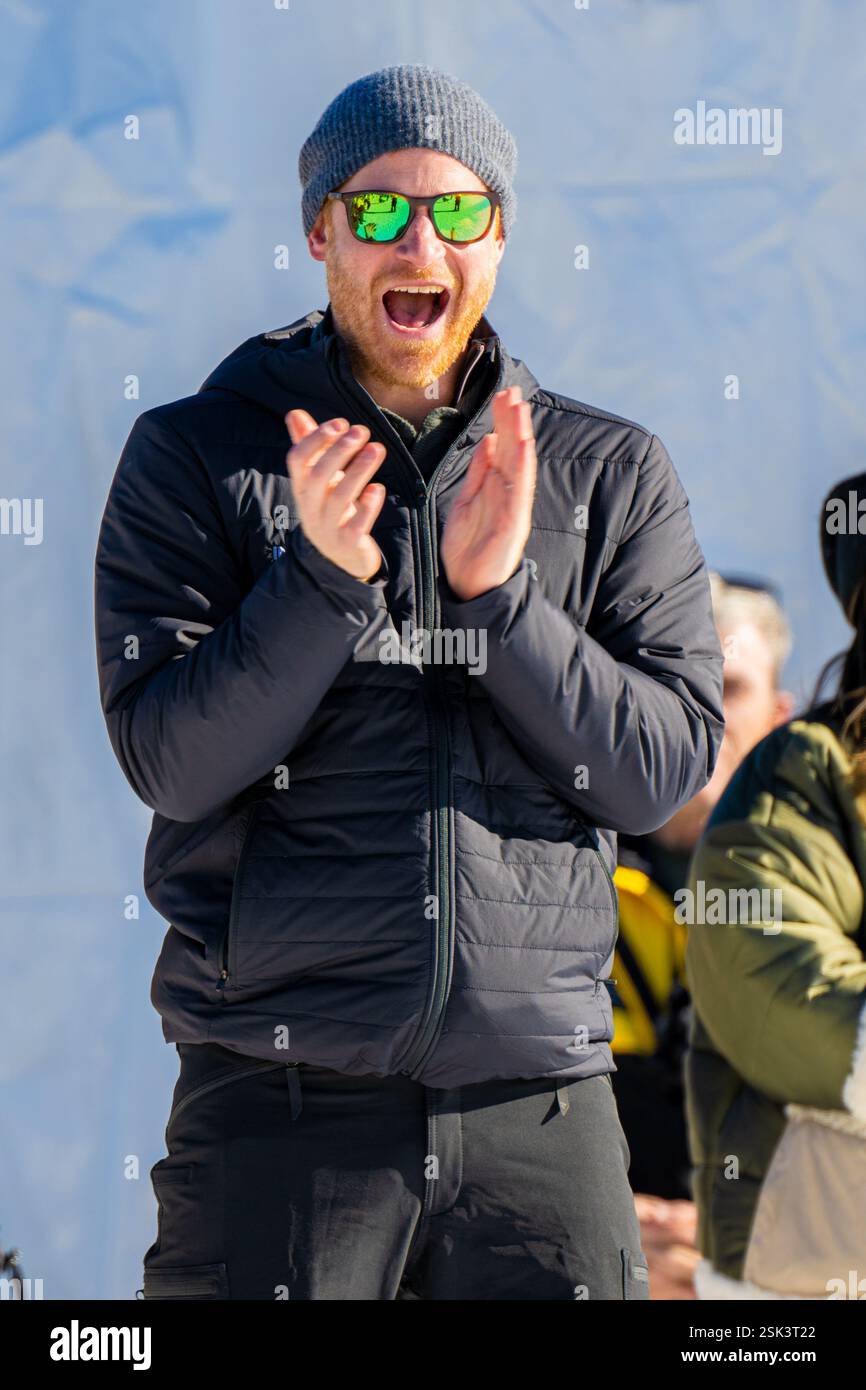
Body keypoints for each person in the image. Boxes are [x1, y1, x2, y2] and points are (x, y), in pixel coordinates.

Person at [94, 64, 724, 1301]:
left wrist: (501, 607)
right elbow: (171, 757)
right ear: (319, 232)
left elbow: (657, 774)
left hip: (540, 1113)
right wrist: (319, 585)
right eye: (377, 212)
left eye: (454, 211)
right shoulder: (199, 454)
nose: (416, 240)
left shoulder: (604, 472)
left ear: (500, 235)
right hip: (277, 1111)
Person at [684, 474, 866, 1299]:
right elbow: (776, 983)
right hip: (811, 1267)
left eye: (726, 688)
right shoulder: (806, 772)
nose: (699, 719)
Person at [610, 574, 794, 1298]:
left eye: (732, 687)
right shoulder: (540, 889)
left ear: (783, 719)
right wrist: (600, 1227)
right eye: (672, 678)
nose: (702, 712)